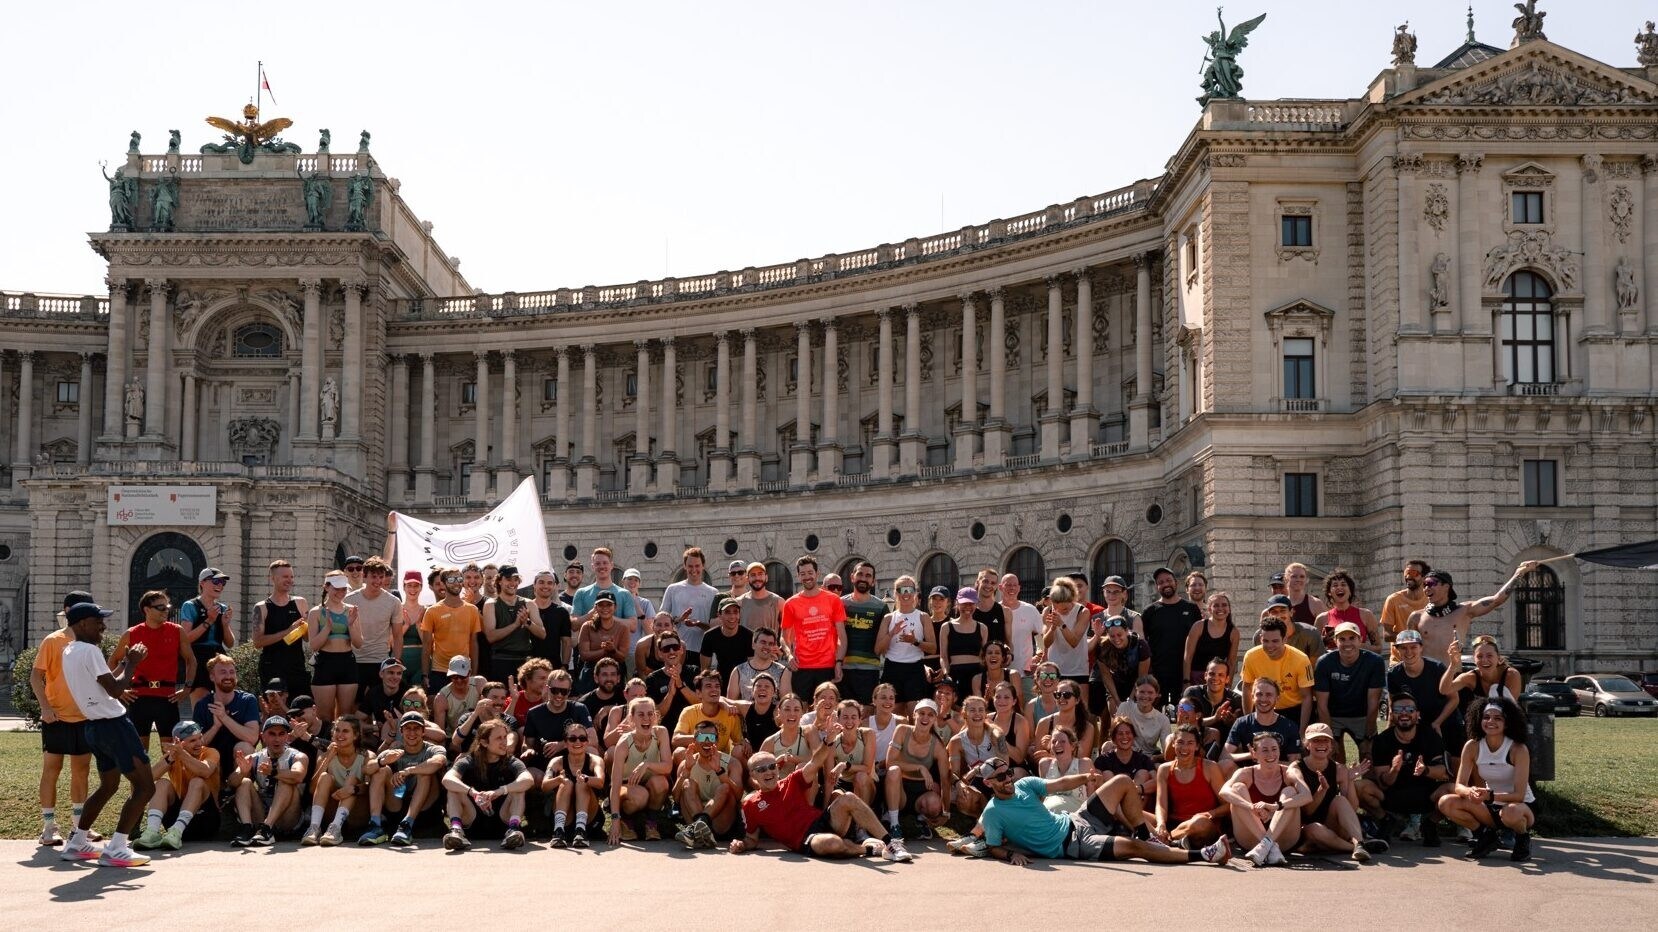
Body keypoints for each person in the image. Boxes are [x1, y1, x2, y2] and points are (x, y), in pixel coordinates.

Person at [976, 757, 1231, 866]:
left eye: (1009, 772)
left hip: (1077, 819)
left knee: (1122, 781)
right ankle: (1205, 855)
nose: (1008, 779)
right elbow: (993, 845)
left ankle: (1147, 835)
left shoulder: (1024, 784)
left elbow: (1060, 784)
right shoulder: (993, 813)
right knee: (1134, 848)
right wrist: (1011, 855)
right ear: (988, 783)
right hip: (1074, 844)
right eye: (1001, 777)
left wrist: (1085, 777)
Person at [57, 601, 156, 868]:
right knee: (145, 787)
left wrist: (123, 662)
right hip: (114, 726)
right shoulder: (90, 650)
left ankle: (77, 843)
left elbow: (103, 683)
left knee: (109, 786)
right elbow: (115, 690)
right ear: (81, 624)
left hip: (94, 728)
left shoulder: (70, 650)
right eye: (98, 620)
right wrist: (133, 663)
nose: (103, 625)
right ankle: (117, 847)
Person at [732, 720, 910, 861]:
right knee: (832, 843)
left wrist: (828, 741)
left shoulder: (791, 781)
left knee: (848, 797)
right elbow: (751, 839)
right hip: (807, 840)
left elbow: (815, 762)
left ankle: (891, 845)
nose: (769, 772)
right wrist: (741, 845)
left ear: (777, 769)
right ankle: (868, 849)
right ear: (753, 775)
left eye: (772, 766)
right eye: (761, 769)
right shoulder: (750, 804)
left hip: (823, 820)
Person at [31, 591, 103, 847]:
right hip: (56, 717)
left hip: (84, 716)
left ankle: (79, 826)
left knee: (81, 772)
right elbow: (35, 677)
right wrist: (45, 707)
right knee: (52, 770)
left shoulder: (92, 642)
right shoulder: (53, 641)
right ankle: (48, 827)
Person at [1438, 697, 1536, 862]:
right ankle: (1486, 837)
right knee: (1446, 802)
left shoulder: (1518, 749)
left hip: (1520, 807)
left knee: (1510, 812)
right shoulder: (1472, 746)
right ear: (1479, 720)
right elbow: (1459, 786)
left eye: (1498, 718)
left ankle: (1522, 839)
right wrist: (1470, 791)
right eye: (1486, 717)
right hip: (1490, 804)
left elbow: (1519, 795)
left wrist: (1490, 796)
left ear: (1507, 723)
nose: (1491, 721)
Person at [1358, 691, 1451, 846]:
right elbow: (1383, 784)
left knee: (1453, 790)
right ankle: (1385, 820)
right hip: (1392, 795)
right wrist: (1394, 770)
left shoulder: (1430, 736)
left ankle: (1430, 823)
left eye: (1409, 710)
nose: (1404, 713)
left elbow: (1444, 773)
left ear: (1417, 714)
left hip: (1426, 795)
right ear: (1392, 715)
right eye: (1398, 710)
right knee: (1359, 787)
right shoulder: (1382, 740)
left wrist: (1425, 770)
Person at [109, 590, 195, 750]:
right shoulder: (131, 633)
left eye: (167, 606)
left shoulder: (177, 631)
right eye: (161, 607)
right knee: (139, 751)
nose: (166, 610)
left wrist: (187, 687)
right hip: (139, 697)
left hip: (167, 698)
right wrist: (119, 691)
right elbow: (113, 661)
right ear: (147, 610)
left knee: (171, 751)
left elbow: (191, 660)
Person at [1408, 562, 1540, 663]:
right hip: (1425, 679)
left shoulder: (1464, 611)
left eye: (1431, 583)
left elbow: (1497, 600)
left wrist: (1519, 573)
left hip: (1453, 678)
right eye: (1424, 585)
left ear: (1446, 587)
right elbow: (1408, 650)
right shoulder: (1416, 617)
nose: (1426, 588)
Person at [1292, 723, 1387, 862]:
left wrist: (1350, 780)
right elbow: (1308, 811)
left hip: (1333, 826)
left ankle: (1358, 844)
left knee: (1340, 800)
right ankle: (1355, 847)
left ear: (1331, 745)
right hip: (1307, 829)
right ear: (1307, 745)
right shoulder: (1297, 769)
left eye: (1325, 740)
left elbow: (1351, 808)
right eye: (1316, 740)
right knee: (1314, 829)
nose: (1321, 744)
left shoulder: (1339, 769)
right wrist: (1322, 790)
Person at [1218, 730, 1309, 866]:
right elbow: (1224, 791)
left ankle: (1266, 844)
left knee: (1290, 791)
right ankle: (1270, 847)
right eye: (1265, 750)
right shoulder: (1245, 773)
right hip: (1251, 840)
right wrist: (1251, 807)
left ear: (1279, 751)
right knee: (1237, 789)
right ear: (1254, 753)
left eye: (1274, 749)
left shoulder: (1289, 772)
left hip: (1284, 839)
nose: (1271, 754)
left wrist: (1276, 807)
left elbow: (1307, 796)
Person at [360, 711, 448, 846]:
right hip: (397, 802)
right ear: (401, 731)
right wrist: (382, 762)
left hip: (426, 807)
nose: (412, 732)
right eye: (408, 728)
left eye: (416, 728)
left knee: (425, 772)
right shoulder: (394, 750)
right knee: (381, 770)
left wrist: (409, 771)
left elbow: (438, 762)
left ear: (423, 732)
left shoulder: (433, 749)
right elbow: (366, 769)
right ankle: (375, 825)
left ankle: (407, 824)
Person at [441, 719, 532, 850]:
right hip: (472, 819)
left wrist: (499, 791)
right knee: (453, 788)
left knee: (519, 787)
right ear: (484, 742)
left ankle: (513, 829)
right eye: (499, 738)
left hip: (503, 821)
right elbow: (447, 779)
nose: (504, 742)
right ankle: (456, 830)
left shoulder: (511, 761)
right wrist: (473, 793)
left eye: (505, 737)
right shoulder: (468, 760)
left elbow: (528, 779)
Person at [135, 720, 219, 850]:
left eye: (200, 738)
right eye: (192, 740)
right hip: (175, 821)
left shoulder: (210, 752)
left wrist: (182, 754)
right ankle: (152, 832)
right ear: (179, 742)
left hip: (206, 820)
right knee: (161, 783)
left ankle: (177, 831)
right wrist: (171, 758)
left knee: (197, 781)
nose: (199, 743)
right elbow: (148, 779)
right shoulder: (173, 756)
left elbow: (205, 771)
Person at [229, 715, 309, 847]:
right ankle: (247, 828)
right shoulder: (254, 758)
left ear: (287, 737)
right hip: (261, 815)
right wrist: (242, 772)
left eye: (281, 734)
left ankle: (267, 828)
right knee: (244, 782)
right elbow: (231, 783)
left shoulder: (297, 756)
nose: (277, 739)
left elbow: (298, 776)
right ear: (263, 737)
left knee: (286, 780)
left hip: (287, 819)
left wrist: (274, 772)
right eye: (272, 734)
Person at [1314, 621, 1385, 762]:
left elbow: (1373, 703)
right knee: (1332, 758)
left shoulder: (1375, 662)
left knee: (1369, 758)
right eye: (1342, 639)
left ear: (1360, 640)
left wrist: (1368, 737)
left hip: (1362, 716)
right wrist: (1329, 738)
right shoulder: (1324, 662)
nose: (1347, 643)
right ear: (1335, 641)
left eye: (1352, 638)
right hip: (1333, 716)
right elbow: (1321, 705)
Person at [607, 696, 674, 842]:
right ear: (631, 718)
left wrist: (647, 765)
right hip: (627, 787)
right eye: (641, 714)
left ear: (655, 716)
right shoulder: (624, 743)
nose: (646, 719)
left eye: (650, 714)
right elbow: (615, 784)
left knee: (661, 783)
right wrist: (615, 820)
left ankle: (651, 823)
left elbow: (668, 767)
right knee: (640, 795)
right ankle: (626, 821)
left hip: (649, 783)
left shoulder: (661, 733)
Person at [881, 698, 950, 839]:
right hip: (899, 788)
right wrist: (920, 767)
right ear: (914, 715)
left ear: (935, 719)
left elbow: (945, 780)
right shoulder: (902, 730)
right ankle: (894, 824)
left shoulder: (938, 746)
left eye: (930, 715)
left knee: (934, 805)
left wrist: (946, 812)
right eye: (922, 713)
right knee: (894, 770)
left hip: (921, 792)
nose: (925, 718)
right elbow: (889, 763)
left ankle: (921, 819)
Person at [781, 555, 847, 701]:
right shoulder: (790, 603)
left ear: (817, 574)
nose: (807, 577)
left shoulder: (834, 600)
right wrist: (789, 655)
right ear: (798, 576)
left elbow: (842, 636)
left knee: (827, 707)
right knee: (802, 707)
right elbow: (784, 637)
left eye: (810, 573)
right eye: (803, 573)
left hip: (827, 665)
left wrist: (838, 662)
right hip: (801, 667)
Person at [1154, 723, 1229, 848]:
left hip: (1203, 824)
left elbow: (1228, 805)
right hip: (1174, 822)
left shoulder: (1210, 767)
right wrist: (1161, 824)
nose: (1184, 747)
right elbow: (1161, 804)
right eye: (1180, 742)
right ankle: (1172, 840)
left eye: (1190, 743)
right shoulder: (1164, 769)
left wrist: (1212, 813)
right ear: (1173, 744)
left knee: (1200, 823)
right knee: (1138, 813)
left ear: (1197, 746)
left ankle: (1165, 839)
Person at [1137, 567, 1201, 707]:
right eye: (1161, 582)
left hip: (1185, 674)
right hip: (1157, 674)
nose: (1165, 584)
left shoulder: (1191, 609)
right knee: (1154, 714)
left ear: (1176, 582)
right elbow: (1142, 644)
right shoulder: (1149, 611)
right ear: (1157, 586)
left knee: (1186, 711)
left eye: (1168, 580)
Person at [301, 715, 370, 846]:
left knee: (352, 780)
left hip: (357, 813)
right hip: (331, 813)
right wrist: (327, 758)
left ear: (355, 736)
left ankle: (336, 828)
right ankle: (314, 828)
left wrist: (352, 789)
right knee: (324, 777)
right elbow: (312, 789)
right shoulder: (325, 755)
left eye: (345, 731)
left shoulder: (366, 756)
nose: (340, 735)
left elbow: (370, 787)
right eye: (337, 730)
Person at [673, 719, 743, 848]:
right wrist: (686, 771)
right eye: (702, 737)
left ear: (717, 740)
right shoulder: (687, 763)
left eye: (711, 737)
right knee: (687, 783)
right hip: (694, 813)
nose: (707, 741)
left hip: (720, 823)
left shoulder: (732, 763)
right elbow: (676, 799)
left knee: (725, 787)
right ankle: (700, 830)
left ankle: (699, 826)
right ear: (694, 741)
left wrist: (719, 771)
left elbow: (738, 796)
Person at [1384, 629, 1456, 752]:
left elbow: (1454, 699)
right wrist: (1387, 733)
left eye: (1413, 647)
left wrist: (1437, 722)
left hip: (1446, 720)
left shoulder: (1437, 668)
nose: (1408, 652)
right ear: (1397, 650)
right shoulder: (1393, 674)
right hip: (1417, 725)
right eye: (1403, 648)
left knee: (1453, 759)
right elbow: (1393, 707)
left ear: (1421, 648)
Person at [191, 654, 262, 779]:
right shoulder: (202, 705)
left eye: (232, 672)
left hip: (239, 764)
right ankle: (217, 787)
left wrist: (224, 717)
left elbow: (252, 737)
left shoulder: (247, 700)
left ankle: (240, 785)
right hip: (212, 764)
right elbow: (197, 745)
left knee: (244, 747)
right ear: (212, 676)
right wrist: (215, 727)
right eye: (223, 672)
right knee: (207, 752)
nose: (228, 676)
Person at [1241, 616, 1315, 733]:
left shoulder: (1301, 659)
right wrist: (1249, 720)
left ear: (1285, 639)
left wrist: (1302, 731)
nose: (1270, 646)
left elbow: (1307, 697)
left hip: (1293, 711)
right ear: (1260, 639)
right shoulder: (1251, 656)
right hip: (1262, 708)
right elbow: (1247, 687)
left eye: (1275, 641)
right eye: (1266, 641)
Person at [307, 571, 363, 720]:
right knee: (325, 716)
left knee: (345, 716)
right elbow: (314, 645)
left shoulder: (351, 610)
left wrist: (350, 625)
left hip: (347, 663)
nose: (341, 592)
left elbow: (359, 644)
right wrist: (327, 628)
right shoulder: (315, 612)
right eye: (336, 588)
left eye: (344, 589)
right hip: (325, 663)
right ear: (326, 587)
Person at [252, 561, 312, 701]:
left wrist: (305, 626)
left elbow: (307, 638)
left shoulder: (301, 602)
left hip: (297, 666)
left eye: (291, 576)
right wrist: (288, 631)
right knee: (274, 708)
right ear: (272, 578)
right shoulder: (261, 607)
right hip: (271, 668)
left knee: (300, 708)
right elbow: (257, 642)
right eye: (285, 577)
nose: (289, 580)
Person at [876, 575, 934, 712]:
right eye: (901, 590)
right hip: (893, 668)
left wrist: (915, 642)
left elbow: (933, 648)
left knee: (915, 712)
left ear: (915, 592)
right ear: (896, 593)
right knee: (893, 713)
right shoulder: (889, 618)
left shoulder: (923, 617)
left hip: (915, 669)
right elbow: (878, 650)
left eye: (909, 589)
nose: (906, 594)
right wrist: (892, 633)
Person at [420, 567, 482, 692]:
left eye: (459, 579)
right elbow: (427, 645)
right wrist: (425, 675)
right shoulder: (432, 611)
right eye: (451, 579)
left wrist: (474, 674)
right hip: (439, 670)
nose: (456, 583)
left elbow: (474, 643)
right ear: (443, 583)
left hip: (464, 670)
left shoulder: (472, 610)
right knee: (435, 703)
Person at [346, 556, 402, 694]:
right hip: (354, 660)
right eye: (374, 577)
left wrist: (395, 662)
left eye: (381, 577)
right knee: (354, 703)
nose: (378, 581)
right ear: (364, 577)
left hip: (380, 661)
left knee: (378, 703)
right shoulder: (349, 600)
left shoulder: (394, 602)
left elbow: (398, 636)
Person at [947, 695, 1007, 819]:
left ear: (985, 714)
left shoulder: (997, 734)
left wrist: (977, 769)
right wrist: (958, 784)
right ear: (964, 714)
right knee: (960, 797)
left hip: (997, 777)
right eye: (972, 710)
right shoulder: (956, 741)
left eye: (981, 710)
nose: (977, 714)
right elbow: (954, 772)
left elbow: (1005, 764)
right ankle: (981, 819)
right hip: (975, 780)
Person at [481, 564, 544, 684]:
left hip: (524, 661)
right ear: (499, 581)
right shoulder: (491, 604)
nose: (513, 583)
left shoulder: (529, 604)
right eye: (508, 579)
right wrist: (515, 625)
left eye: (515, 579)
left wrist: (527, 622)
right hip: (501, 661)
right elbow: (490, 636)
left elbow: (542, 634)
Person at [180, 568, 236, 700]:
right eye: (216, 581)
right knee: (201, 703)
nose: (220, 585)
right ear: (202, 583)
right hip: (198, 658)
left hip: (219, 657)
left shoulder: (222, 608)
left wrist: (225, 625)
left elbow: (230, 643)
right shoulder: (190, 606)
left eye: (223, 582)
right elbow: (185, 639)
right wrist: (209, 620)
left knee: (223, 702)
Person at [1223, 677, 1302, 770]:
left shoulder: (1289, 726)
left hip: (1278, 773)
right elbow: (1224, 756)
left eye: (1268, 695)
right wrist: (1251, 755)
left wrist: (1267, 760)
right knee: (1225, 764)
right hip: (1249, 774)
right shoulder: (1242, 723)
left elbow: (1295, 764)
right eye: (1259, 694)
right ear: (1252, 697)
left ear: (1277, 698)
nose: (1263, 699)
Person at [662, 547, 721, 664]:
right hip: (676, 650)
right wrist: (679, 619)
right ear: (684, 566)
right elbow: (662, 620)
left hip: (703, 651)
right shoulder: (673, 589)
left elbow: (716, 627)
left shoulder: (713, 593)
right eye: (690, 566)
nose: (694, 570)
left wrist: (698, 624)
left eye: (697, 566)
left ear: (703, 566)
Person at [838, 561, 886, 706]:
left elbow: (884, 641)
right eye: (860, 574)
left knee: (866, 713)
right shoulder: (840, 604)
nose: (863, 578)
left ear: (873, 581)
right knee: (844, 713)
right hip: (843, 669)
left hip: (869, 671)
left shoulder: (881, 607)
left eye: (868, 575)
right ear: (852, 577)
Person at [1039, 578, 1091, 703]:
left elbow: (1074, 642)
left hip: (1078, 669)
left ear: (1073, 599)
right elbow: (1046, 643)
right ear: (1053, 603)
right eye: (1060, 609)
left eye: (1067, 608)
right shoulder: (1047, 611)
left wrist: (1061, 624)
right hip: (1055, 668)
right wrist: (1052, 628)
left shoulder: (1083, 612)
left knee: (1082, 706)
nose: (1064, 611)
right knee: (1057, 705)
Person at [674, 670, 744, 752]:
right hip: (695, 757)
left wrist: (744, 743)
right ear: (699, 693)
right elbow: (675, 740)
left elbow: (739, 741)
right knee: (679, 752)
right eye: (708, 686)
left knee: (740, 750)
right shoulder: (689, 712)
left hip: (720, 757)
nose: (714, 689)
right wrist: (702, 737)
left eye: (717, 686)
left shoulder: (730, 713)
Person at [1183, 658, 1243, 754]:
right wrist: (1214, 718)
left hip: (1226, 748)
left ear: (1227, 679)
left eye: (1221, 675)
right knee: (1212, 732)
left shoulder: (1236, 699)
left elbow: (1243, 730)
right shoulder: (1192, 693)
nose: (1215, 678)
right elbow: (1185, 722)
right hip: (1194, 744)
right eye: (1212, 674)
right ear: (1205, 675)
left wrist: (1233, 722)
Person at [1440, 634, 1523, 703]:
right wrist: (1453, 665)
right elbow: (1444, 690)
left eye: (1489, 656)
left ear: (1498, 658)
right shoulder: (1470, 677)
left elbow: (1511, 708)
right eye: (1479, 656)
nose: (1484, 660)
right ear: (1474, 660)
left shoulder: (1511, 675)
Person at [1093, 614, 1150, 711]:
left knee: (1135, 712)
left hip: (1137, 683)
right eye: (1112, 636)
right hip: (1117, 683)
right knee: (1115, 711)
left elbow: (1142, 676)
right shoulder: (1102, 647)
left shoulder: (1140, 646)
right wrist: (1117, 701)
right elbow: (1106, 676)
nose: (1116, 639)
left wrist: (1130, 700)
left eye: (1119, 635)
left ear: (1127, 631)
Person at [1316, 569, 1382, 652]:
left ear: (1350, 591)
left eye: (1343, 584)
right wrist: (1323, 642)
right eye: (1335, 585)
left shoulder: (1366, 615)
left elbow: (1378, 648)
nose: (1339, 587)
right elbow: (1313, 651)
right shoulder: (1321, 619)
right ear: (1329, 592)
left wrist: (1360, 646)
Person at [575, 590, 630, 690]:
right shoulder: (587, 627)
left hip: (615, 674)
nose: (605, 608)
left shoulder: (623, 628)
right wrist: (604, 651)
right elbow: (584, 655)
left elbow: (622, 657)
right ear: (595, 607)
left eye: (609, 605)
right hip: (591, 674)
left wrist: (613, 650)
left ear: (615, 607)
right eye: (601, 605)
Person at [1183, 591, 1239, 688]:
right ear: (1209, 609)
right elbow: (1188, 657)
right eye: (1216, 605)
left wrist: (1228, 685)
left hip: (1218, 680)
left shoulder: (1234, 632)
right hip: (1196, 679)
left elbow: (1231, 662)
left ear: (1229, 609)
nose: (1220, 608)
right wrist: (1186, 682)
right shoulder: (1198, 626)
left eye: (1224, 605)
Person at [1033, 679, 1097, 763]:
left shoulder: (1088, 727)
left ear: (1077, 700)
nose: (1061, 698)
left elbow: (1081, 759)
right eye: (1058, 695)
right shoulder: (1044, 723)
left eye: (1067, 695)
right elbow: (1038, 758)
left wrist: (1052, 747)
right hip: (1049, 770)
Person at [1000, 573, 1043, 694]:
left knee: (1028, 705)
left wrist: (1037, 658)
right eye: (1008, 585)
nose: (1012, 588)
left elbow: (1040, 637)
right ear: (1000, 587)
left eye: (1015, 585)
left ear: (1019, 588)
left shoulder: (1030, 610)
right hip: (1000, 674)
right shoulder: (995, 610)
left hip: (1025, 674)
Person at [940, 586, 989, 692]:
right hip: (955, 674)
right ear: (957, 604)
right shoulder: (946, 627)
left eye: (971, 604)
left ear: (976, 604)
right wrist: (946, 675)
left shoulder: (983, 628)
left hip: (977, 674)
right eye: (964, 603)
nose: (968, 607)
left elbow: (984, 656)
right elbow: (943, 656)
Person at [1379, 559, 1431, 660]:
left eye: (1414, 573)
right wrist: (1411, 638)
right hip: (1399, 661)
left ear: (1424, 577)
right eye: (1406, 573)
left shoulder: (1431, 599)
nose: (1408, 576)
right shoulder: (1393, 600)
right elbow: (1387, 635)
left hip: (1426, 661)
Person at [1034, 725, 1091, 815]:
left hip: (1075, 817)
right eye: (1054, 742)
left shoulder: (1084, 764)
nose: (1057, 745)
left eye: (1062, 741)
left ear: (1072, 746)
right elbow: (1042, 796)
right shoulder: (1044, 764)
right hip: (1049, 817)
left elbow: (1092, 796)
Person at [699, 597, 755, 684]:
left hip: (744, 682)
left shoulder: (749, 636)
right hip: (719, 682)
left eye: (735, 612)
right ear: (719, 615)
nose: (732, 616)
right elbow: (704, 670)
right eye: (727, 612)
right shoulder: (709, 636)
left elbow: (753, 668)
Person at [727, 625, 790, 700]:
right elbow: (730, 703)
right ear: (753, 644)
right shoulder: (738, 671)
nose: (766, 646)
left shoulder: (782, 672)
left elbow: (787, 703)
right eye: (763, 642)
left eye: (770, 644)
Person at [360, 657, 412, 748]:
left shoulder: (409, 693)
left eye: (399, 673)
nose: (395, 677)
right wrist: (374, 727)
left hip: (407, 734)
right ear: (381, 674)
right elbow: (356, 721)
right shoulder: (373, 693)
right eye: (391, 672)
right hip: (384, 737)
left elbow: (420, 718)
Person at [1115, 676, 1171, 757]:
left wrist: (1153, 759)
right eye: (1141, 692)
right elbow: (1114, 736)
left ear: (1156, 694)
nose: (1145, 696)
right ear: (1135, 693)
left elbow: (1167, 752)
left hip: (1149, 757)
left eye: (1150, 692)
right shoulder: (1125, 707)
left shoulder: (1163, 720)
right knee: (1107, 746)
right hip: (1125, 753)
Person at [528, 570, 574, 671]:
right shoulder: (525, 609)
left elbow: (566, 642)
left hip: (554, 667)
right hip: (528, 666)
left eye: (549, 583)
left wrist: (564, 666)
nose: (545, 586)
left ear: (554, 586)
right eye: (541, 582)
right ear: (534, 585)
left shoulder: (561, 612)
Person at [987, 680, 1032, 773]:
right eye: (998, 697)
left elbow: (1019, 758)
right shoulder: (987, 719)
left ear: (1014, 701)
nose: (1001, 701)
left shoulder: (1020, 722)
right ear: (993, 699)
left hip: (1014, 769)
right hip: (990, 768)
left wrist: (1000, 738)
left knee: (1017, 773)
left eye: (1006, 697)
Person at [393, 571, 428, 675]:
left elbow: (429, 644)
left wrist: (418, 625)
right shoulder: (395, 609)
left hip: (421, 664)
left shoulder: (427, 611)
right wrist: (406, 626)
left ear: (421, 588)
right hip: (398, 664)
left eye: (416, 586)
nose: (413, 589)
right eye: (409, 585)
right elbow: (390, 642)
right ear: (404, 587)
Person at [738, 562, 786, 636]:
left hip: (771, 643)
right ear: (747, 579)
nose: (757, 578)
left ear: (766, 577)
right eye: (753, 575)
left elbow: (786, 630)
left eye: (760, 574)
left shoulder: (779, 602)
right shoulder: (739, 602)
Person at [973, 641, 1021, 707]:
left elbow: (1019, 705)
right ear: (984, 658)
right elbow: (979, 708)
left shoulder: (1013, 675)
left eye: (997, 653)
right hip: (987, 713)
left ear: (1003, 658)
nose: (993, 655)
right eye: (990, 653)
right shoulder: (977, 679)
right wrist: (986, 700)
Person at [632, 612, 677, 676]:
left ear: (672, 627)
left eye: (667, 625)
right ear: (653, 626)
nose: (663, 628)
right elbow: (641, 673)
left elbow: (677, 672)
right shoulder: (642, 645)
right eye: (659, 625)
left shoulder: (680, 646)